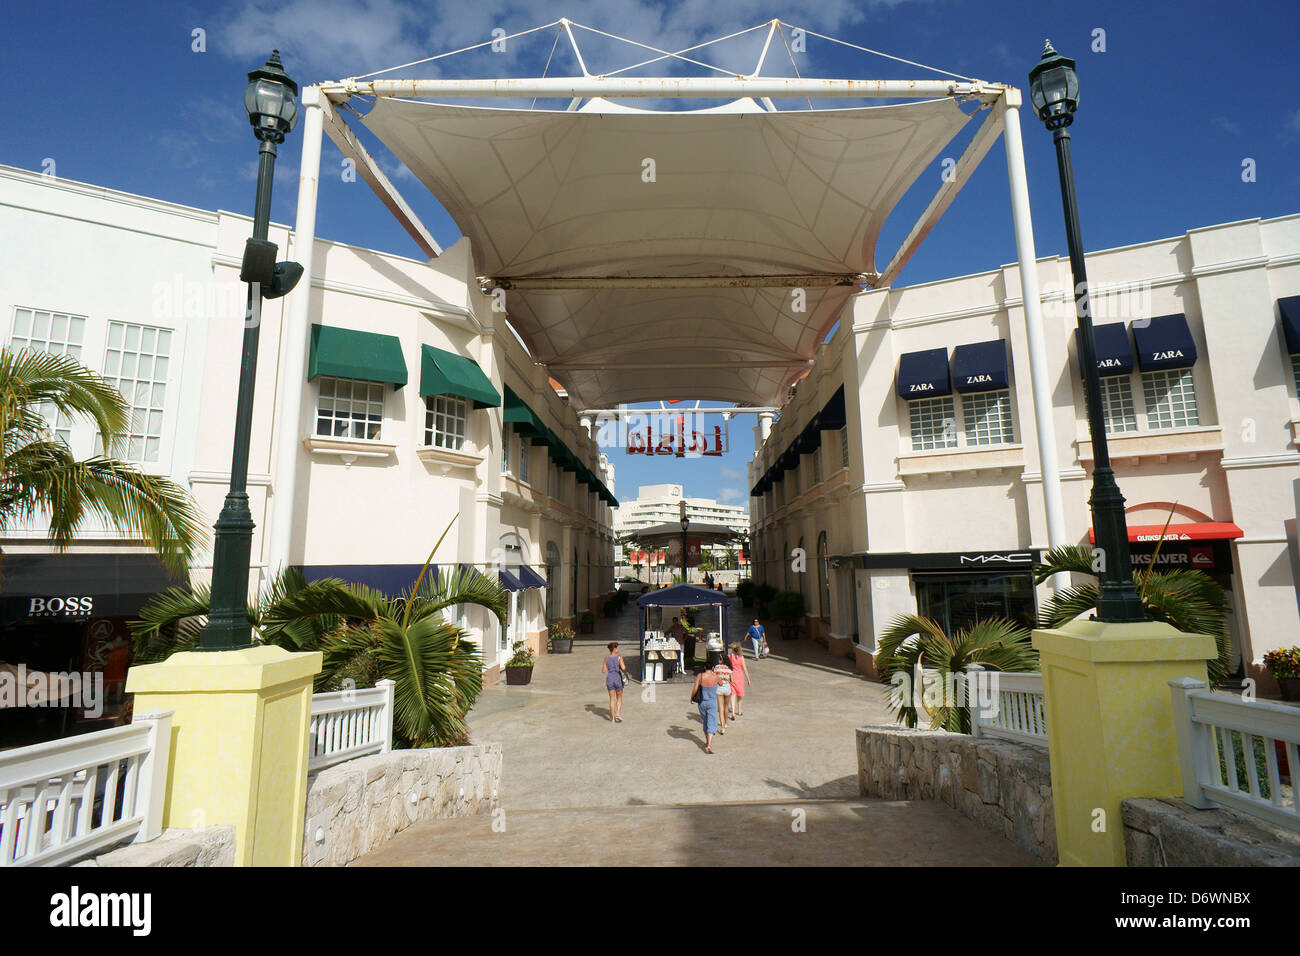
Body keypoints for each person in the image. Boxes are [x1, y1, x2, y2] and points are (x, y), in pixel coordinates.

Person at [690, 666, 720, 753]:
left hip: (702, 702)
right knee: (712, 722)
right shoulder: (716, 676)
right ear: (713, 667)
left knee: (705, 721)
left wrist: (692, 697)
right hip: (712, 703)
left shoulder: (700, 676)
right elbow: (721, 683)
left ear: (704, 667)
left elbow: (695, 688)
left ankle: (707, 741)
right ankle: (709, 744)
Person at [603, 641, 627, 723]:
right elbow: (623, 668)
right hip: (617, 678)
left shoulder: (606, 658)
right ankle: (618, 714)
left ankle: (612, 719)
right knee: (619, 697)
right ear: (615, 649)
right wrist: (620, 664)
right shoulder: (619, 658)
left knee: (611, 699)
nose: (618, 649)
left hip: (609, 678)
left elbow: (603, 670)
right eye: (617, 647)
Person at [727, 643, 752, 718]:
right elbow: (745, 669)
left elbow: (727, 667)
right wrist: (748, 679)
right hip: (740, 677)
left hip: (732, 676)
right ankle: (740, 711)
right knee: (740, 694)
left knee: (733, 694)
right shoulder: (741, 657)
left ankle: (733, 712)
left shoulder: (729, 657)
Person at [713, 655, 733, 732]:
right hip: (727, 687)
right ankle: (726, 723)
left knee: (720, 708)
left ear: (721, 660)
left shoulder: (717, 667)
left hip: (719, 688)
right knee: (726, 706)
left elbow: (714, 678)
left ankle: (722, 727)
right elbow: (732, 680)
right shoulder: (729, 668)